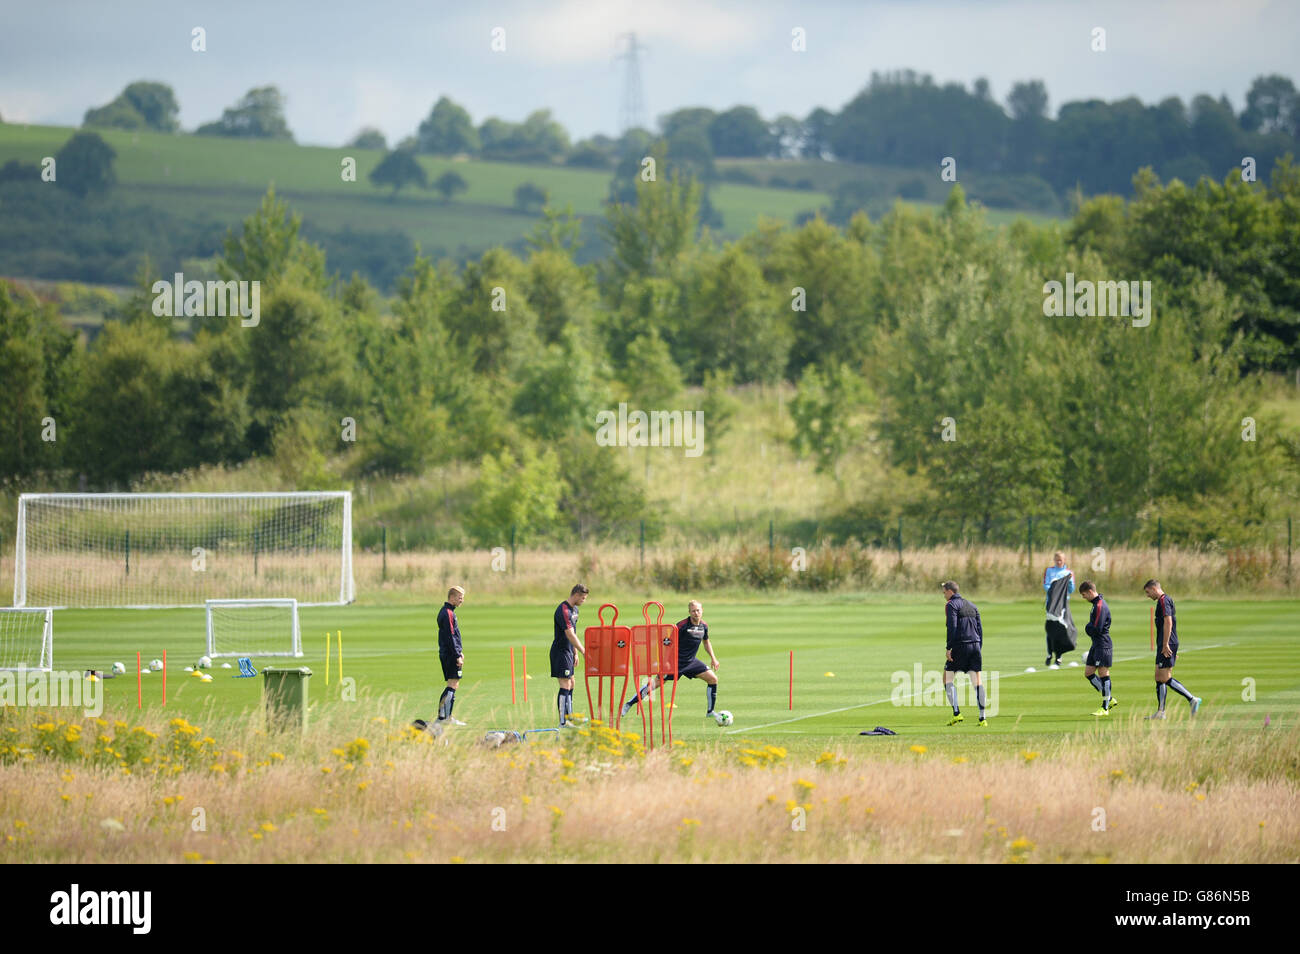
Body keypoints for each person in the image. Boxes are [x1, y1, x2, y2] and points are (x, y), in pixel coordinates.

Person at [621, 599, 721, 721]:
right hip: (675, 662)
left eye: (698, 610)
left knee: (713, 679)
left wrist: (713, 658)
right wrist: (666, 661)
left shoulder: (704, 626)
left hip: (691, 662)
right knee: (655, 684)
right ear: (689, 612)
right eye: (693, 611)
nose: (696, 613)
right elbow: (668, 643)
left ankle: (710, 712)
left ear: (702, 611)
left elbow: (706, 642)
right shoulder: (681, 625)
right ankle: (629, 704)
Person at [1143, 579, 1201, 720]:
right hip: (1166, 643)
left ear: (1154, 589)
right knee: (1159, 676)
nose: (1147, 595)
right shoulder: (1164, 600)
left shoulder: (1163, 601)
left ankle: (1192, 699)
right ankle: (1161, 712)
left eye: (1148, 592)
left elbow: (1168, 622)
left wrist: (1166, 645)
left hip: (1166, 644)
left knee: (1164, 677)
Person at [414, 585, 466, 732]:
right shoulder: (448, 613)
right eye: (460, 598)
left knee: (453, 684)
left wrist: (459, 651)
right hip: (450, 654)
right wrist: (457, 655)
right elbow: (450, 636)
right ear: (452, 597)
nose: (462, 601)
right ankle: (445, 717)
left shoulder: (447, 612)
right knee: (453, 684)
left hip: (449, 653)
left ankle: (445, 716)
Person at [940, 581, 987, 726]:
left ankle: (956, 713)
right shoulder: (972, 605)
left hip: (960, 646)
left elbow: (952, 627)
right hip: (975, 646)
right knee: (977, 681)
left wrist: (949, 648)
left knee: (947, 679)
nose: (943, 594)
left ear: (950, 592)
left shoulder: (951, 605)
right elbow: (980, 629)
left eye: (944, 592)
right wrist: (979, 647)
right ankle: (982, 718)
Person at [552, 584, 588, 728]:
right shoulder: (563, 610)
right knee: (565, 684)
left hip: (568, 652)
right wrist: (583, 651)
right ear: (577, 594)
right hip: (560, 652)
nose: (584, 601)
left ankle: (570, 718)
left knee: (572, 683)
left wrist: (575, 653)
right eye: (583, 598)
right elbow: (569, 634)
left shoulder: (575, 610)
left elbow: (574, 633)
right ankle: (563, 722)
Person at [1078, 581, 1117, 715]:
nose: (1083, 598)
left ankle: (1105, 707)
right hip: (1096, 644)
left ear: (1090, 592)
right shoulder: (1096, 604)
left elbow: (1097, 628)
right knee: (1088, 672)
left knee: (1103, 673)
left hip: (1103, 644)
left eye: (1084, 595)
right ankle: (1109, 698)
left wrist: (1087, 628)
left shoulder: (1099, 605)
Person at [1043, 551, 1076, 668]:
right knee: (1050, 629)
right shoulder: (1049, 571)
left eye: (1060, 560)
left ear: (1064, 560)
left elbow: (1071, 590)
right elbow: (1046, 585)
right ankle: (1049, 653)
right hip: (1052, 604)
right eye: (1056, 560)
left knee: (1061, 630)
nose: (1058, 562)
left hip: (1063, 605)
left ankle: (1059, 656)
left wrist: (1070, 582)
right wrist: (1054, 588)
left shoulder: (1068, 572)